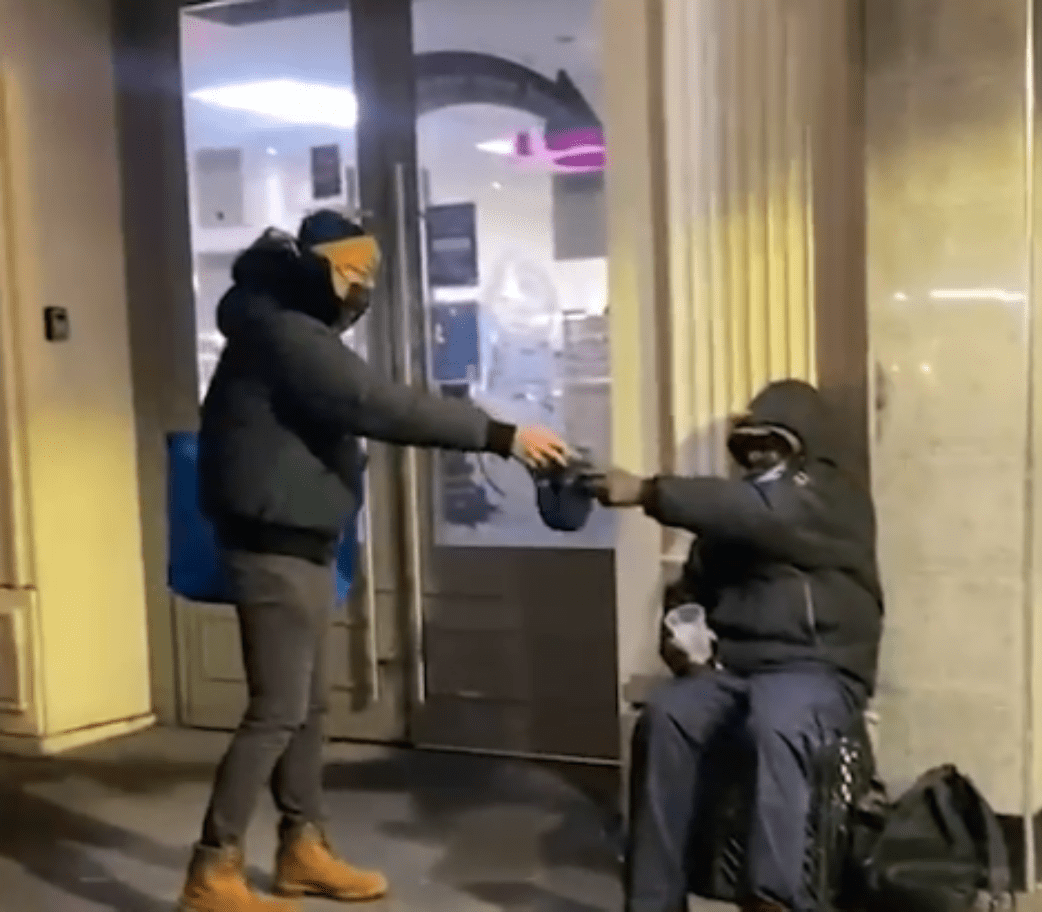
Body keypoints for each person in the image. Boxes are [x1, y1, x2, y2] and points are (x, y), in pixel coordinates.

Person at [179, 210, 569, 912]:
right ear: (311, 267)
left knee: (306, 709)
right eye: (349, 272)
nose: (360, 289)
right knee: (277, 711)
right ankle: (214, 868)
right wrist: (499, 434)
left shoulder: (284, 327)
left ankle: (303, 847)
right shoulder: (286, 333)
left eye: (369, 277)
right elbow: (375, 403)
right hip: (272, 545)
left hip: (298, 540)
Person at [594, 379, 883, 912]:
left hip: (815, 668)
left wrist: (646, 491)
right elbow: (689, 592)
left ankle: (772, 900)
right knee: (666, 714)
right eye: (751, 448)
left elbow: (765, 511)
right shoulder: (734, 512)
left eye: (772, 446)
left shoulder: (832, 496)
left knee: (779, 719)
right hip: (733, 672)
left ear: (804, 447)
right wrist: (684, 648)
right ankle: (653, 901)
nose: (759, 458)